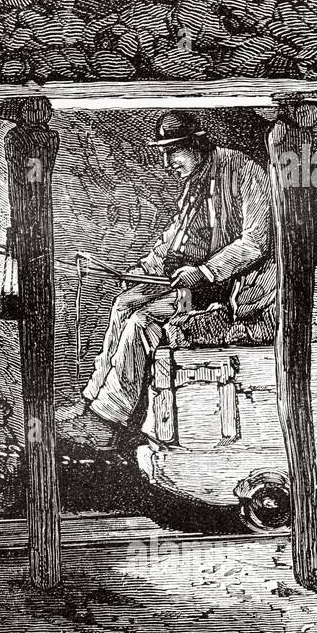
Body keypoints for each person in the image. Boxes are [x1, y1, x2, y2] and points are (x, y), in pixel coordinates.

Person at [57, 110, 278, 449]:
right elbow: (177, 237)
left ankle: (110, 419)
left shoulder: (243, 171)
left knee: (141, 321)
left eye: (172, 150)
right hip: (198, 287)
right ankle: (94, 402)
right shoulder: (196, 180)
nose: (166, 161)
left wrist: (203, 272)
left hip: (242, 294)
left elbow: (256, 242)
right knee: (123, 304)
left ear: (196, 145)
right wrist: (144, 271)